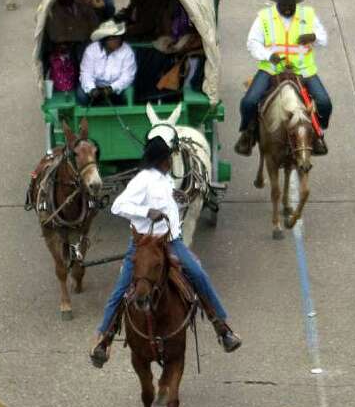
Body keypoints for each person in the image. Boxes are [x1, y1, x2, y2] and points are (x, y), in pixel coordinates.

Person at [90, 134, 241, 361]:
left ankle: (222, 328)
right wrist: (146, 212)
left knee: (198, 274)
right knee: (121, 289)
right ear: (160, 160)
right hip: (144, 244)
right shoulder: (142, 180)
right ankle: (104, 339)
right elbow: (117, 206)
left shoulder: (165, 178)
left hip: (171, 242)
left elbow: (164, 203)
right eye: (169, 158)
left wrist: (177, 199)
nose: (171, 161)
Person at [234, 0, 330, 157]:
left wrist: (313, 36)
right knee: (248, 102)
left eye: (291, 6)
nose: (287, 9)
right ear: (277, 4)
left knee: (324, 103)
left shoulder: (307, 15)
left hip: (303, 71)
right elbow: (253, 42)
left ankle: (317, 136)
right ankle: (247, 135)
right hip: (272, 69)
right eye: (283, 6)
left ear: (296, 3)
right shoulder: (264, 17)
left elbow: (323, 38)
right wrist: (268, 55)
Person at [79, 17, 136, 105]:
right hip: (95, 86)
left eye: (118, 37)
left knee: (127, 93)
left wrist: (111, 88)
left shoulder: (127, 51)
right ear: (104, 40)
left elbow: (127, 76)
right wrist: (92, 89)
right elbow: (86, 73)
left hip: (116, 88)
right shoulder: (91, 50)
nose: (117, 40)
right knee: (81, 95)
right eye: (112, 38)